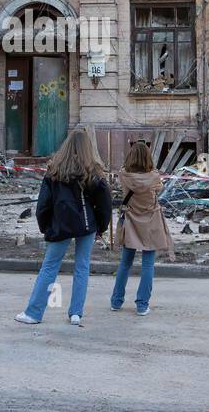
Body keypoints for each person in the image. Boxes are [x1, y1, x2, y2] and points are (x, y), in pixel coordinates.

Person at [15, 130, 112, 326]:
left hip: (60, 225)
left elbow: (43, 204)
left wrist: (45, 227)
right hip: (87, 225)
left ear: (67, 145)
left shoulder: (54, 171)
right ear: (88, 148)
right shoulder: (94, 172)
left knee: (49, 267)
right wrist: (101, 227)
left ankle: (34, 313)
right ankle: (76, 313)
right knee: (82, 267)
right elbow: (105, 204)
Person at [110, 140, 175, 316]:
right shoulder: (154, 177)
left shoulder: (123, 175)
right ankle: (142, 305)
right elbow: (159, 189)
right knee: (148, 265)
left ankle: (116, 301)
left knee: (125, 263)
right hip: (151, 221)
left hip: (131, 220)